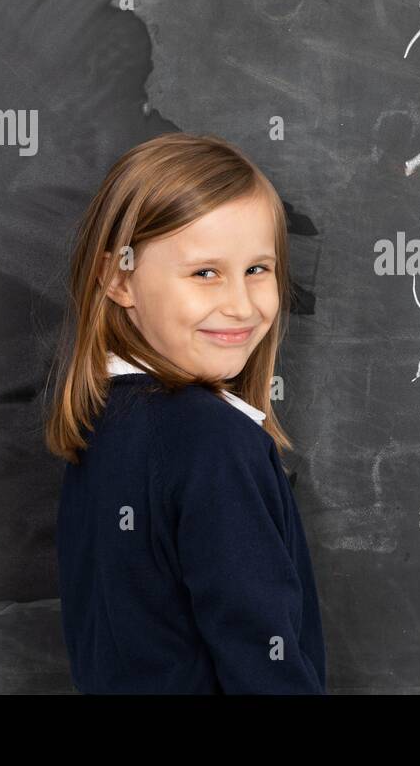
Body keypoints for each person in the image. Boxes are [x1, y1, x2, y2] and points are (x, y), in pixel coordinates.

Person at [44, 131, 326, 694]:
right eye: (205, 273)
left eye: (258, 269)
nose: (241, 305)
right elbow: (263, 664)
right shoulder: (214, 443)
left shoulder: (103, 422)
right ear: (119, 278)